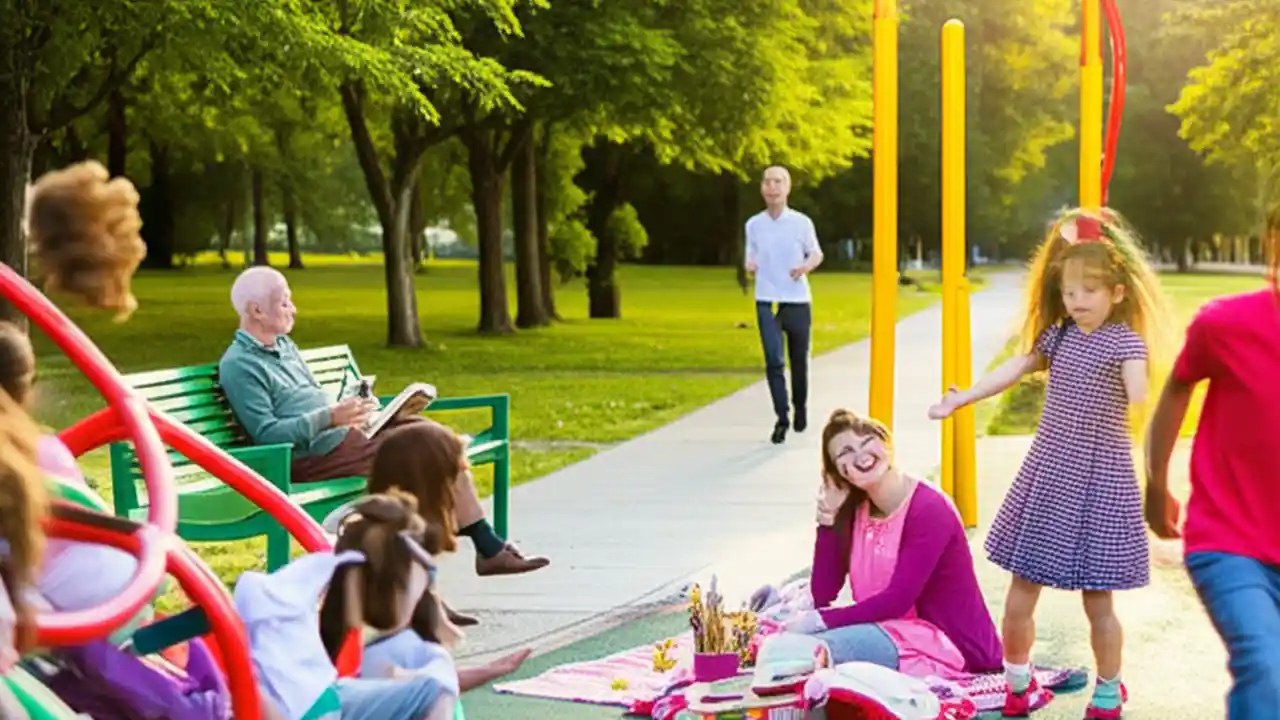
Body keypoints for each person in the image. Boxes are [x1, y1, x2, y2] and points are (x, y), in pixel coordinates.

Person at [928, 207, 1174, 718]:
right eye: (1068, 292)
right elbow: (1015, 368)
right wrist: (963, 397)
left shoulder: (1127, 342)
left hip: (1103, 479)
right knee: (1022, 586)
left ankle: (1107, 690)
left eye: (1089, 291)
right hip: (1051, 471)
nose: (1076, 302)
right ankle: (1016, 683)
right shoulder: (1057, 337)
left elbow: (1139, 393)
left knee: (1098, 600)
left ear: (1118, 293)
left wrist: (1141, 385)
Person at [217, 266, 549, 594]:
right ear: (257, 310)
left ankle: (479, 551)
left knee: (435, 438)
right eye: (285, 302)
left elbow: (309, 400)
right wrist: (331, 417)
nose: (294, 309)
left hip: (344, 436)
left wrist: (358, 409)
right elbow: (268, 434)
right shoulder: (239, 365)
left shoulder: (283, 347)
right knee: (428, 451)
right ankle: (476, 552)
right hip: (313, 456)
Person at [1144, 204, 1280, 719]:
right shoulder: (1225, 325)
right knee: (1265, 662)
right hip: (1230, 540)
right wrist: (1155, 484)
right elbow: (1178, 385)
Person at [774, 409, 1002, 679]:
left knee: (809, 650)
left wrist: (821, 621)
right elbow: (823, 593)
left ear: (885, 444)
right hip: (887, 633)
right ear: (839, 473)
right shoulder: (855, 509)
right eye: (845, 452)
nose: (859, 455)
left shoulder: (929, 509)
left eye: (866, 441)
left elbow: (897, 600)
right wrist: (828, 521)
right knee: (787, 646)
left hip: (945, 647)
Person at [743, 166, 824, 444]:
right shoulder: (754, 224)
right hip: (767, 299)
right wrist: (750, 265)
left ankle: (800, 406)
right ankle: (782, 417)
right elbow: (750, 256)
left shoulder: (801, 223)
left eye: (778, 182)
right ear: (762, 188)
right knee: (774, 361)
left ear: (787, 188)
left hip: (797, 301)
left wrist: (804, 267)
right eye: (767, 182)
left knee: (798, 361)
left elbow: (816, 253)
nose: (772, 187)